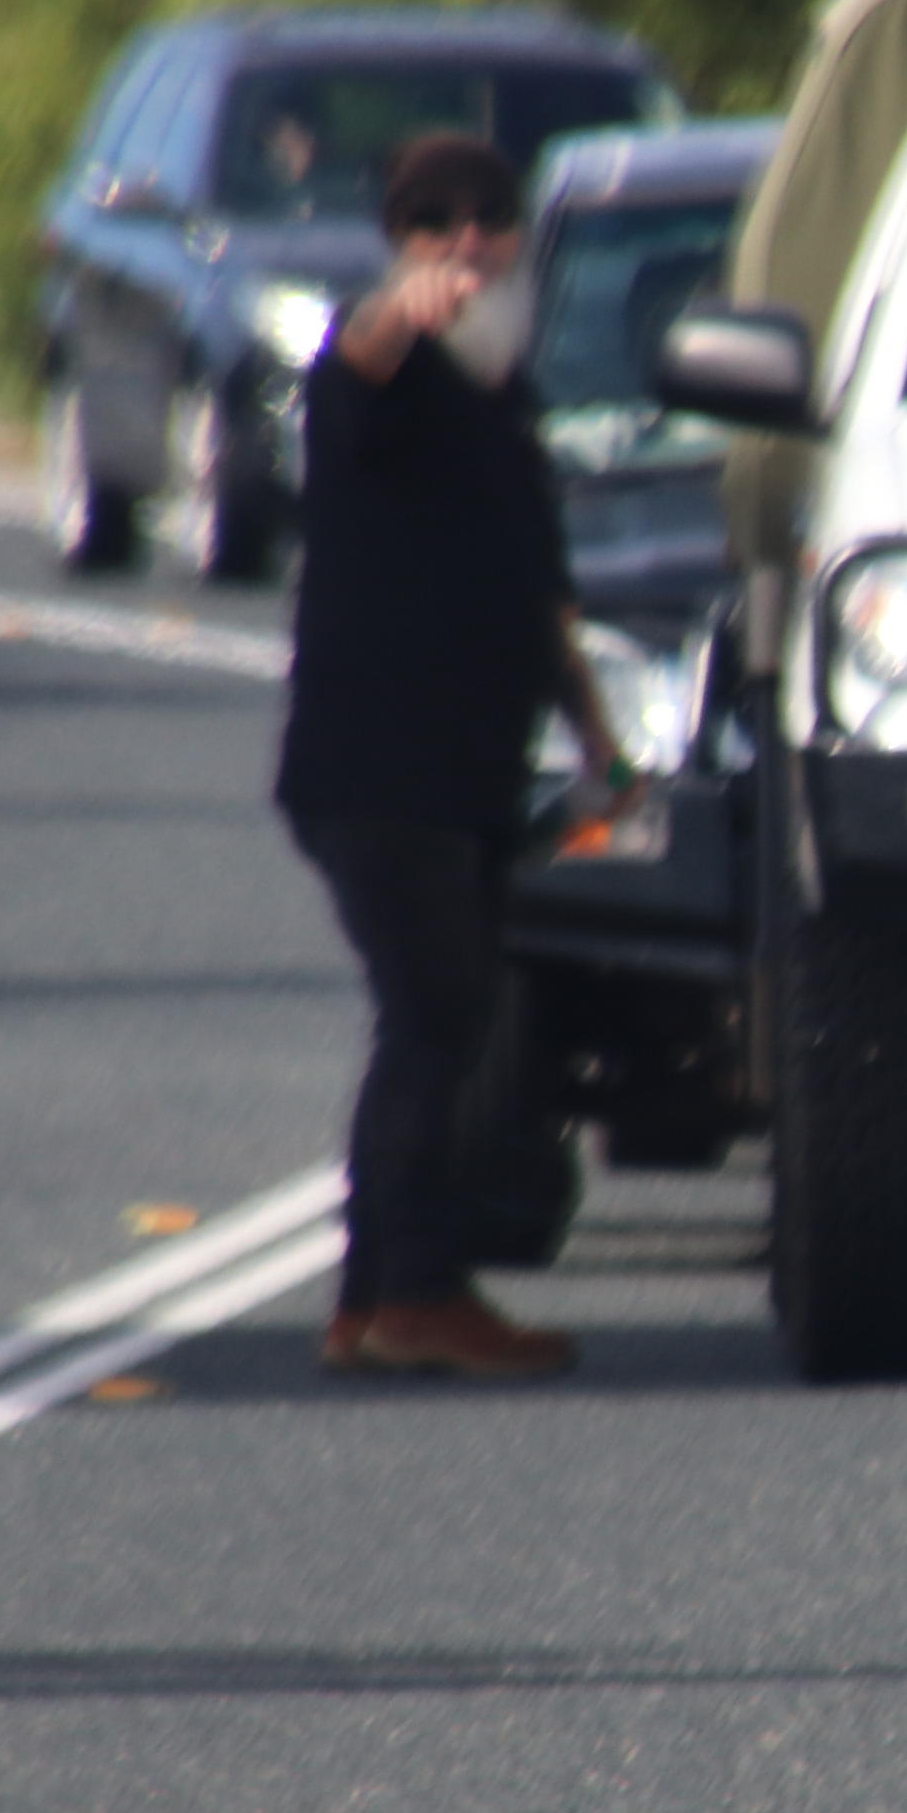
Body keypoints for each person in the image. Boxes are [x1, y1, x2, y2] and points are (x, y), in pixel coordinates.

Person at [275, 131, 637, 1381]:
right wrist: (394, 308)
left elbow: (542, 599)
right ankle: (415, 1289)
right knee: (433, 1017)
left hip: (472, 770)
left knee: (437, 1018)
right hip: (380, 771)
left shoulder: (500, 399)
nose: (466, 241)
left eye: (488, 219)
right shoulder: (378, 371)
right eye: (434, 222)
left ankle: (372, 1300)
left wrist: (598, 736)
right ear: (398, 240)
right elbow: (353, 361)